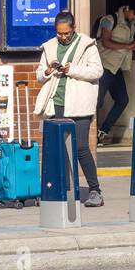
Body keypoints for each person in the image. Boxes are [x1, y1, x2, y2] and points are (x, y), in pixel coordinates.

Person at [34, 11, 106, 208]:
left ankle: (94, 190)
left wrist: (71, 69)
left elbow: (97, 71)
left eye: (66, 33)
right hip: (57, 102)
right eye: (60, 33)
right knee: (59, 149)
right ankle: (62, 188)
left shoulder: (87, 45)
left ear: (73, 29)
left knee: (81, 147)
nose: (63, 37)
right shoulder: (49, 47)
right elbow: (40, 74)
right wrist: (48, 70)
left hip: (80, 103)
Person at [95, 0, 135, 146]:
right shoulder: (110, 19)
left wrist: (133, 45)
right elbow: (105, 41)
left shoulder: (131, 25)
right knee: (97, 102)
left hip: (116, 68)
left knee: (123, 100)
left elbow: (126, 46)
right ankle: (90, 134)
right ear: (127, 9)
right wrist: (127, 46)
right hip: (104, 65)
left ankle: (102, 131)